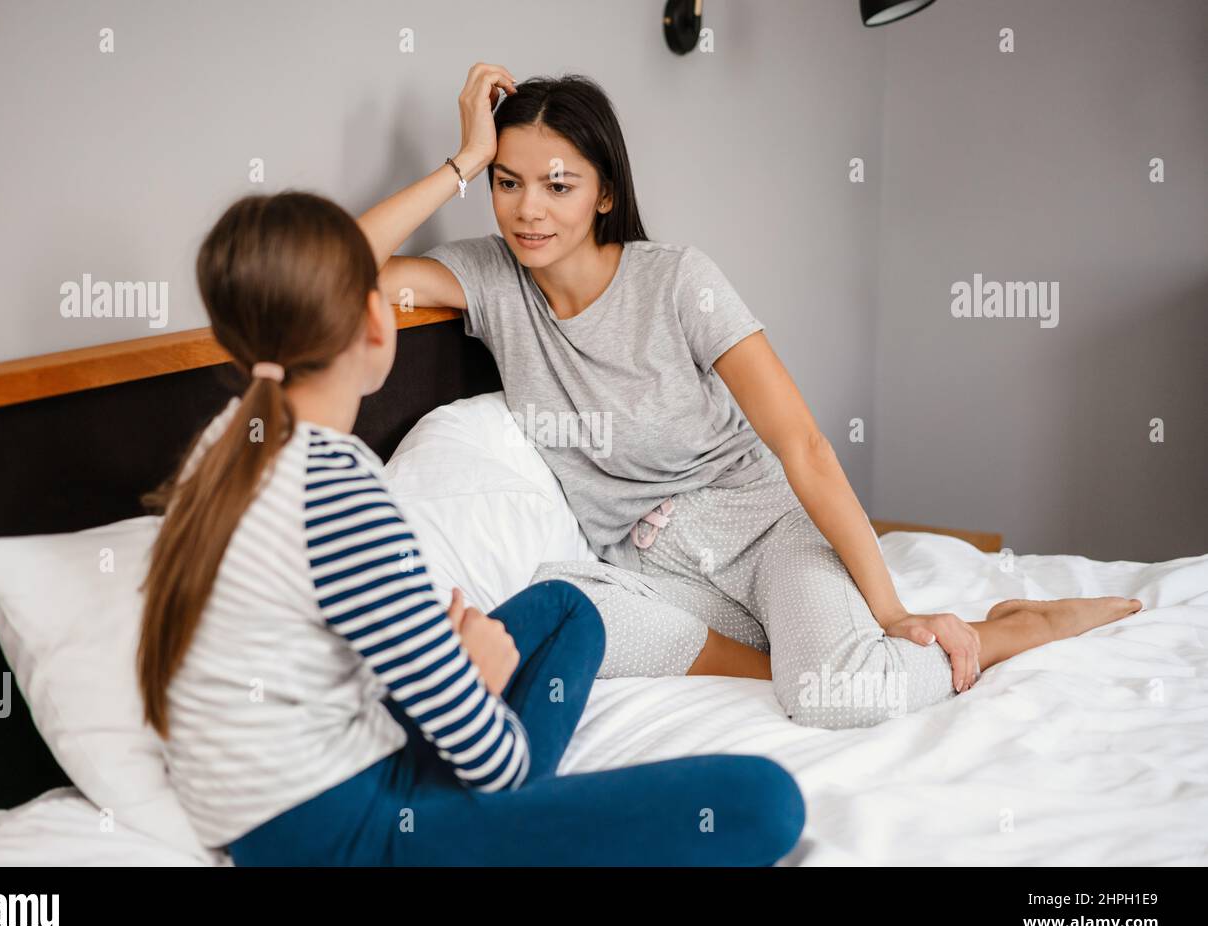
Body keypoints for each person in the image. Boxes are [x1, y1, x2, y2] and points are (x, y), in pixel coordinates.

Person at [372, 62, 1143, 730]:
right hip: (651, 570)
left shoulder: (675, 280)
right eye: (508, 183)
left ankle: (1010, 628)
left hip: (765, 526)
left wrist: (892, 613)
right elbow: (327, 273)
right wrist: (463, 159)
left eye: (558, 185)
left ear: (605, 193)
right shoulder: (487, 280)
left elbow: (801, 443)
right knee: (556, 607)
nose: (527, 209)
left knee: (831, 693)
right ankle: (778, 659)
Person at [135, 189, 805, 866]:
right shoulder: (339, 490)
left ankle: (496, 833)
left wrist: (448, 666)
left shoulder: (224, 444)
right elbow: (500, 766)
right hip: (341, 830)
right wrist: (473, 677)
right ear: (375, 318)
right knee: (765, 800)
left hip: (279, 800)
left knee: (569, 607)